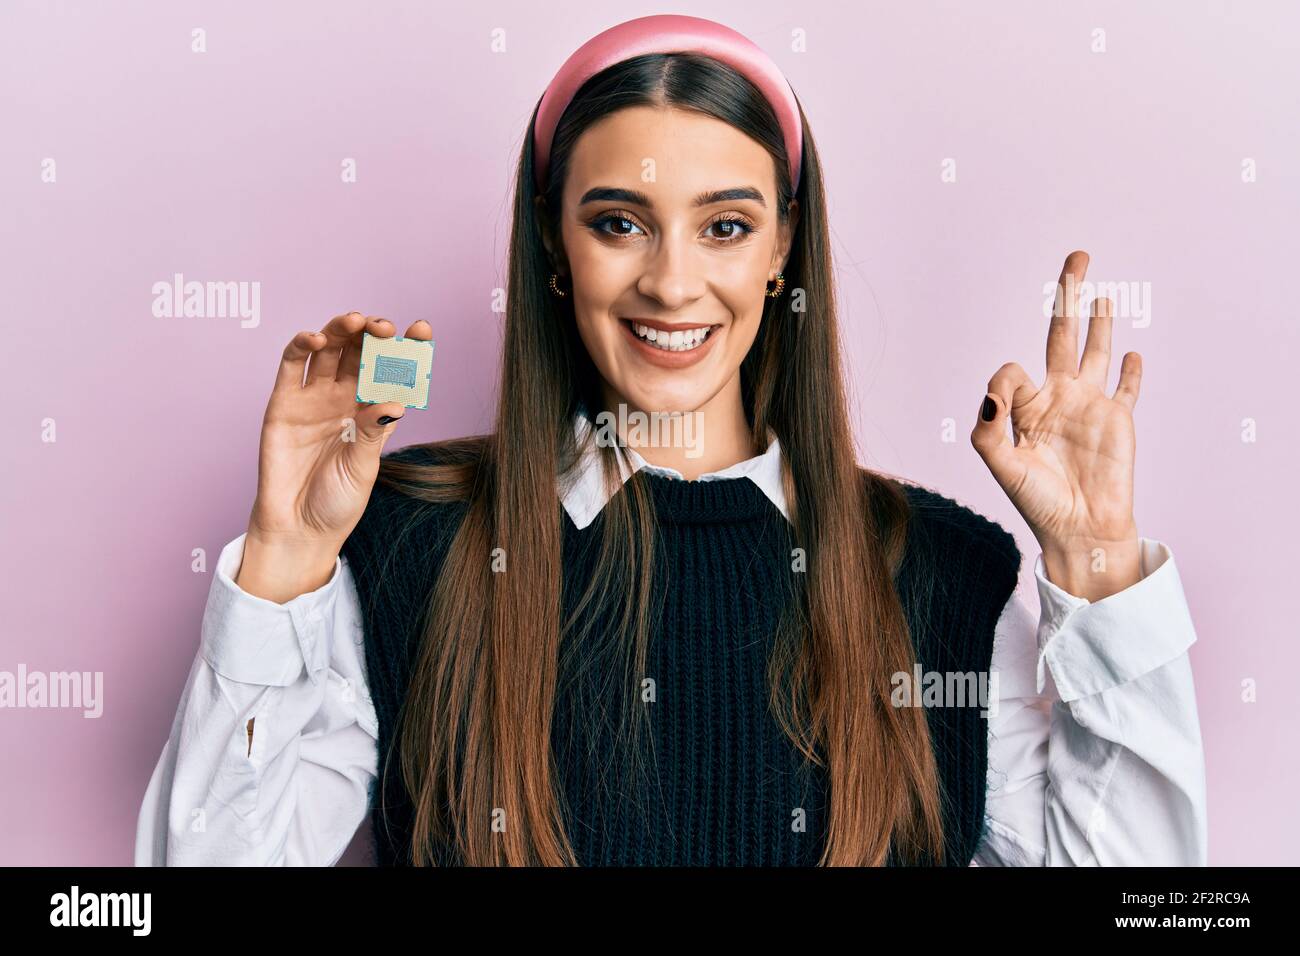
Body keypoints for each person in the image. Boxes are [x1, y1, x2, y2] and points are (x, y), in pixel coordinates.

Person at [135, 14, 1206, 867]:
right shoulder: (414, 542)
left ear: (784, 245)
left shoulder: (935, 570)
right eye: (618, 222)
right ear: (554, 242)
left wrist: (1097, 568)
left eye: (725, 226)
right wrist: (281, 564)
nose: (672, 281)